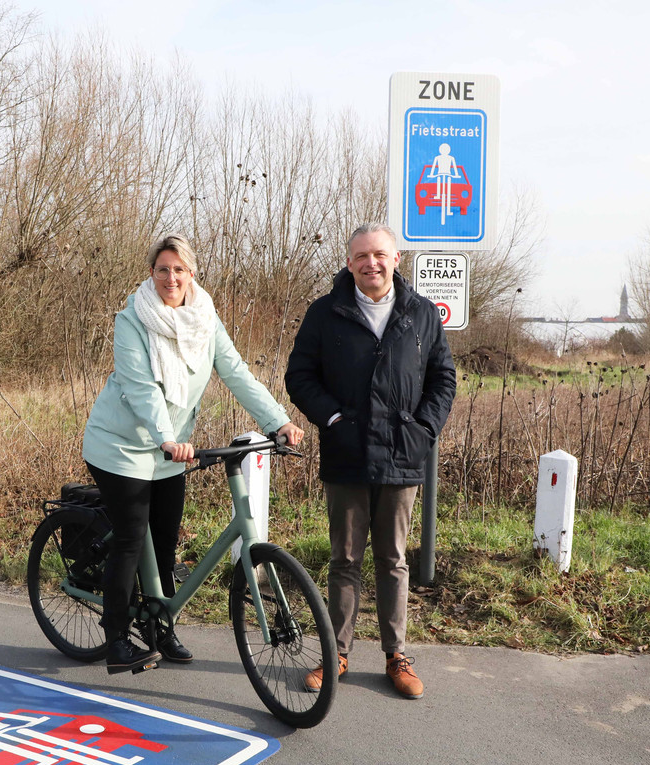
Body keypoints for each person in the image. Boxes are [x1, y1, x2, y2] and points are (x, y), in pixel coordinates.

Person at [83, 233, 304, 675]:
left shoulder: (205, 318)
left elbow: (236, 371)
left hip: (170, 451)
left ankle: (159, 626)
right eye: (163, 269)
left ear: (192, 274)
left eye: (179, 269)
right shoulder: (131, 320)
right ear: (152, 272)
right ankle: (116, 639)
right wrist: (166, 436)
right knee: (131, 538)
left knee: (164, 543)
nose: (171, 277)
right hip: (122, 446)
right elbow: (140, 387)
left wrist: (276, 420)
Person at [284, 223, 456, 699]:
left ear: (396, 259)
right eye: (361, 256)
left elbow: (444, 378)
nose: (371, 263)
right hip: (346, 455)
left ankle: (395, 655)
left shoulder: (421, 314)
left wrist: (423, 432)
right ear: (348, 263)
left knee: (393, 559)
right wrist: (333, 418)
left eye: (379, 254)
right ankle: (336, 654)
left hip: (403, 456)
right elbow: (299, 376)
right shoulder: (325, 313)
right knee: (344, 559)